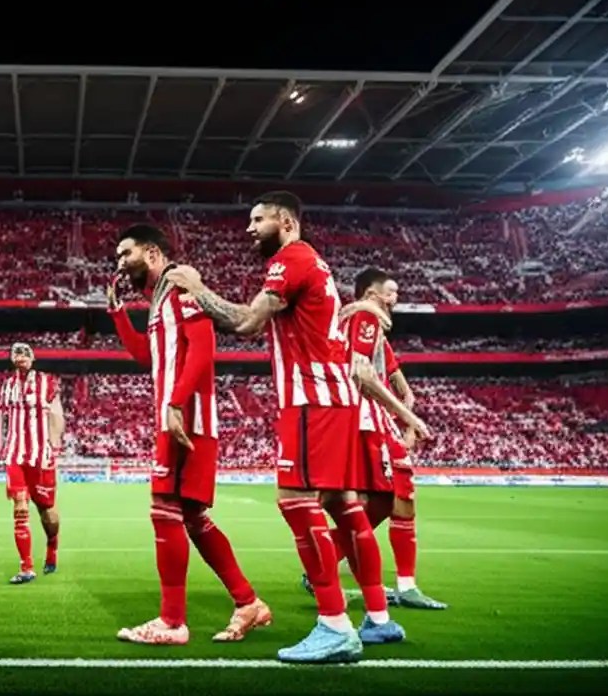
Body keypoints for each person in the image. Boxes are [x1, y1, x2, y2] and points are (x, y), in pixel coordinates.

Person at [165, 191, 429, 663]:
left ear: (285, 221)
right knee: (346, 508)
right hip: (337, 398)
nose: (249, 228)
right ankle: (378, 618)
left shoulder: (291, 260)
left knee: (295, 503)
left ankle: (333, 624)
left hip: (313, 399)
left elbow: (246, 322)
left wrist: (197, 287)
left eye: (258, 219)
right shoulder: (314, 262)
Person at [106, 223, 271, 645]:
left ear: (154, 253)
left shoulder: (180, 286)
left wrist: (177, 403)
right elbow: (146, 354)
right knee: (193, 518)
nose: (120, 263)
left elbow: (203, 347)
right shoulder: (159, 300)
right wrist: (117, 313)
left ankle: (172, 621)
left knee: (164, 511)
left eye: (127, 254)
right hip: (180, 416)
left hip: (186, 419)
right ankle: (248, 602)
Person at [336, 269, 446, 610]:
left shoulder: (376, 328)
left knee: (383, 503)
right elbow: (361, 373)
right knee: (400, 497)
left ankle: (324, 561)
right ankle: (406, 585)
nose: (395, 298)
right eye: (390, 291)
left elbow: (400, 384)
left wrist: (408, 421)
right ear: (371, 293)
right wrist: (409, 420)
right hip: (366, 418)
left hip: (375, 419)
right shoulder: (365, 316)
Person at [0, 341, 64, 584]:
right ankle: (27, 567)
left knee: (47, 511)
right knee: (20, 508)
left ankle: (52, 546)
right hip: (15, 454)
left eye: (25, 353)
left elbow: (57, 413)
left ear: (33, 358)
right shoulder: (7, 386)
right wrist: (0, 446)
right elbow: (2, 417)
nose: (21, 356)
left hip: (40, 456)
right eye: (16, 353)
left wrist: (54, 445)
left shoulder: (46, 382)